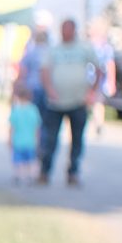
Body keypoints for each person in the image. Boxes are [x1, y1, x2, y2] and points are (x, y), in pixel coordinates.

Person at [37, 17, 99, 187]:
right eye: (63, 29)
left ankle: (73, 172)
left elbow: (99, 69)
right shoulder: (54, 49)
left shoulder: (84, 48)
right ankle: (44, 171)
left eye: (69, 29)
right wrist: (49, 89)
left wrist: (92, 91)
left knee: (77, 139)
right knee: (50, 138)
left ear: (74, 30)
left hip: (78, 101)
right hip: (55, 102)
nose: (66, 33)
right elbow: (44, 70)